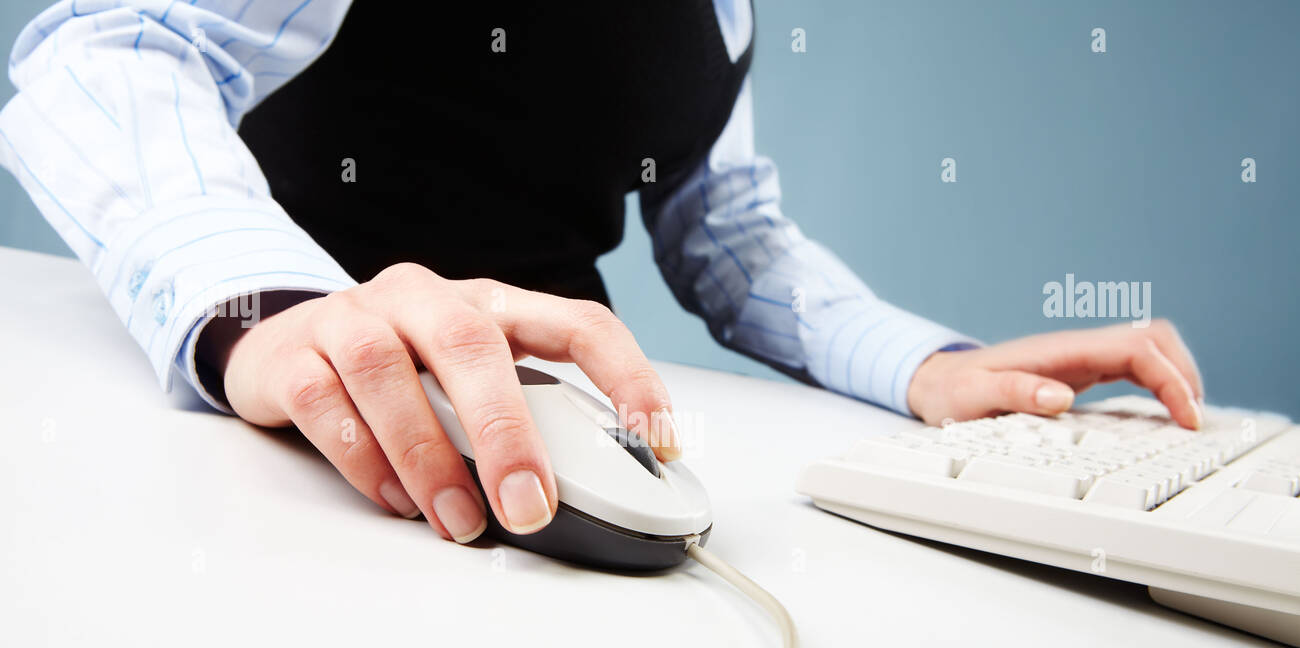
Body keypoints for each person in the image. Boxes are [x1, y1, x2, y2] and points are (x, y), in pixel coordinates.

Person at [0, 1, 1203, 545]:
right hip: (288, 428)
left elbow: (725, 229)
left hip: (577, 428)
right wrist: (273, 304)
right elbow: (106, 50)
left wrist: (930, 363)